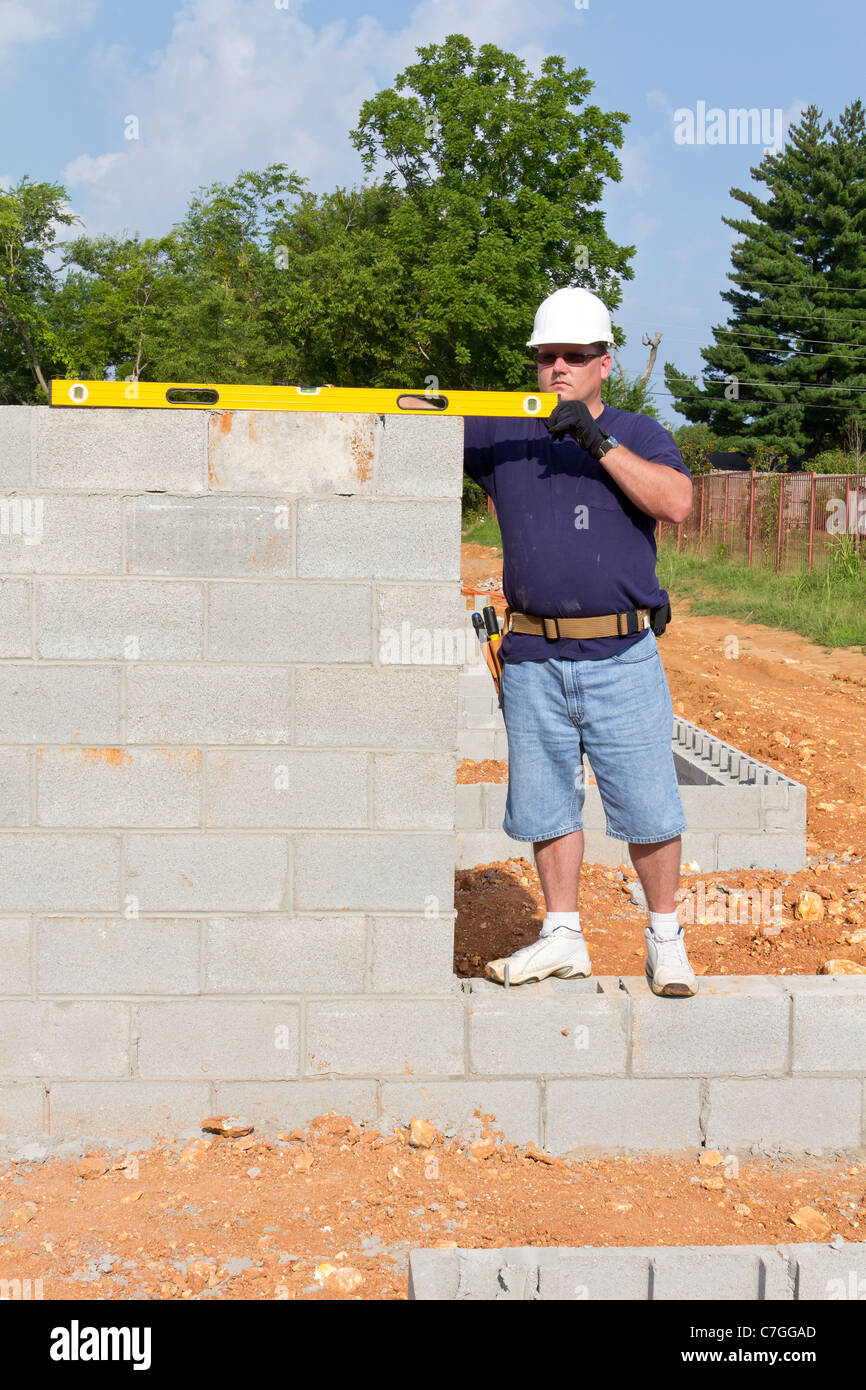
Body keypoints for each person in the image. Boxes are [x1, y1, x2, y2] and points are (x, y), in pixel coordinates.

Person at [463, 286, 697, 997]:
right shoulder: (506, 431)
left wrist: (597, 443)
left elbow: (676, 502)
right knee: (545, 803)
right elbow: (414, 419)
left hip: (621, 653)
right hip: (533, 652)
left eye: (575, 355)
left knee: (649, 805)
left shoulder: (640, 431)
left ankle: (665, 942)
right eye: (547, 356)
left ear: (604, 363)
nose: (558, 366)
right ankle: (562, 935)